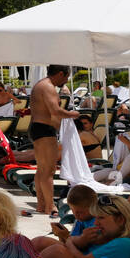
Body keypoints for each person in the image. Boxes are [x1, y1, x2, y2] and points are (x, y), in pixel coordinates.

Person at [37, 193, 130, 258]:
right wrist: (82, 240)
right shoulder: (112, 236)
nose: (96, 223)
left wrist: (69, 242)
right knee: (41, 242)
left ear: (120, 219)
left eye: (101, 218)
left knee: (56, 252)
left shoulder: (125, 244)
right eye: (96, 218)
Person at [29, 65, 81, 217]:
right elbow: (55, 111)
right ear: (60, 73)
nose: (65, 81)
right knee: (49, 170)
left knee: (41, 169)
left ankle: (41, 204)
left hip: (39, 128)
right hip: (44, 129)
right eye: (66, 77)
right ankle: (50, 206)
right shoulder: (48, 87)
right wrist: (73, 114)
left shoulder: (41, 85)